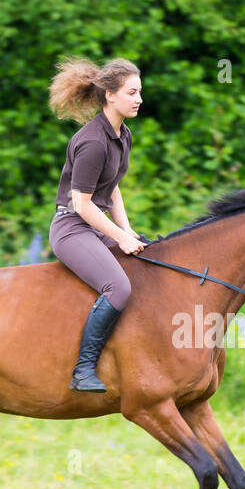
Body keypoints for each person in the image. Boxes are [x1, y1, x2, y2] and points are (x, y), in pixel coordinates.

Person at [47, 56, 148, 392]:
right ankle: (83, 370)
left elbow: (112, 185)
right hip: (73, 228)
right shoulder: (92, 141)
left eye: (139, 92)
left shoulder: (122, 134)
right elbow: (82, 204)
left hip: (94, 225)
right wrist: (119, 236)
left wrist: (128, 230)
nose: (139, 99)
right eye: (132, 92)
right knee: (118, 288)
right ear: (109, 95)